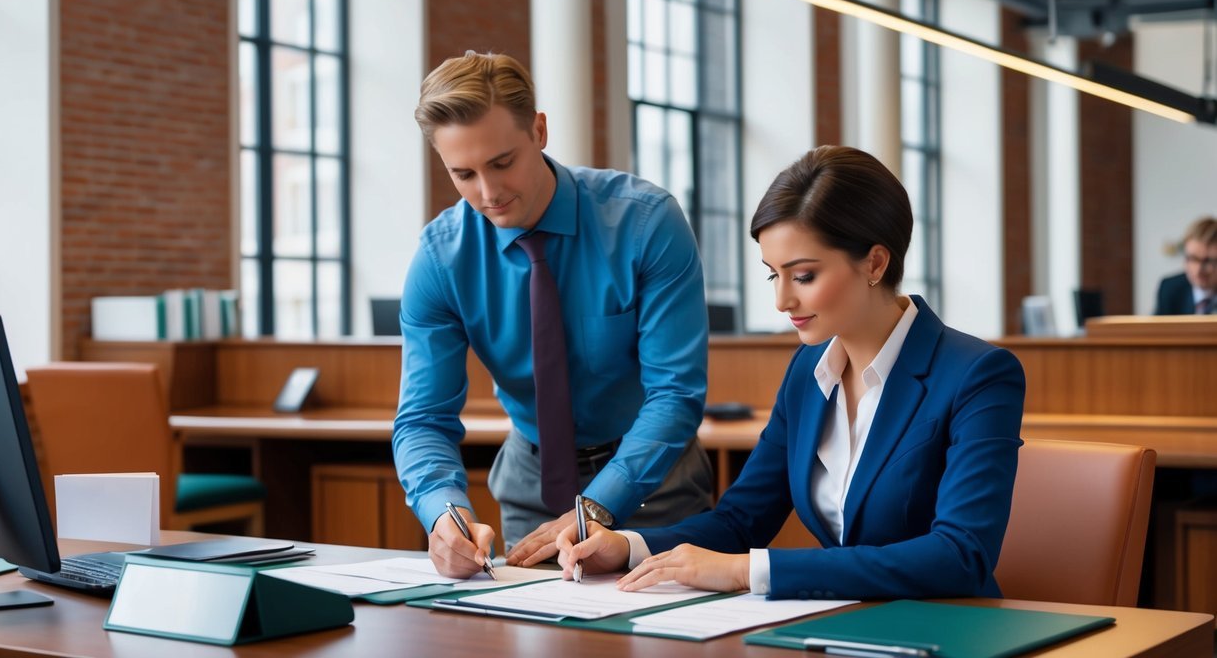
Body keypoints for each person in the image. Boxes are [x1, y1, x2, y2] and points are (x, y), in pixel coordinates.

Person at [557, 145, 1026, 600]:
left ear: (875, 263)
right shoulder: (809, 371)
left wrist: (749, 571)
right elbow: (741, 520)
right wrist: (629, 547)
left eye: (802, 276)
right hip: (839, 628)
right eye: (772, 275)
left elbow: (961, 554)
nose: (782, 301)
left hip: (948, 632)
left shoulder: (978, 376)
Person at [393, 51, 714, 578]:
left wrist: (597, 506)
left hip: (655, 484)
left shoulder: (646, 223)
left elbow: (675, 393)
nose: (489, 193)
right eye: (464, 174)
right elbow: (423, 419)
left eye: (501, 163)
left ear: (539, 131)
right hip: (532, 485)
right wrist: (443, 514)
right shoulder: (440, 259)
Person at [1155, 217, 1217, 316]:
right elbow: (1156, 330)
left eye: (1208, 261)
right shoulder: (1170, 289)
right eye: (1192, 259)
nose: (1198, 270)